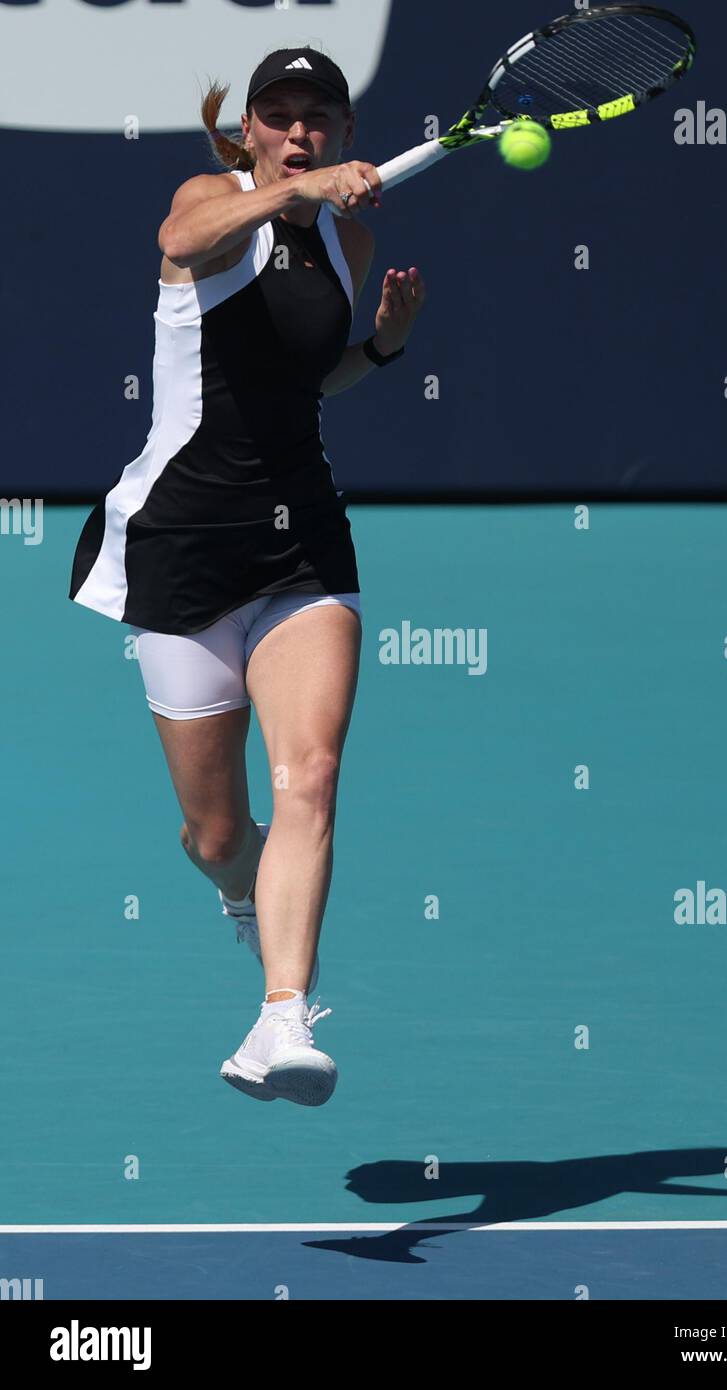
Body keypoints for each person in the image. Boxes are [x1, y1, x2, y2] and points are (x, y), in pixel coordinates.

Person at [69, 47, 426, 1106]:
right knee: (218, 832)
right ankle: (241, 887)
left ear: (345, 131)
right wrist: (292, 191)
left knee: (308, 774)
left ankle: (283, 1018)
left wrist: (384, 349)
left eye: (320, 116)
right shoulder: (210, 199)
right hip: (179, 544)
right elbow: (179, 240)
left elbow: (312, 384)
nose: (300, 128)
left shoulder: (349, 241)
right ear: (248, 131)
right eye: (280, 114)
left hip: (302, 544)